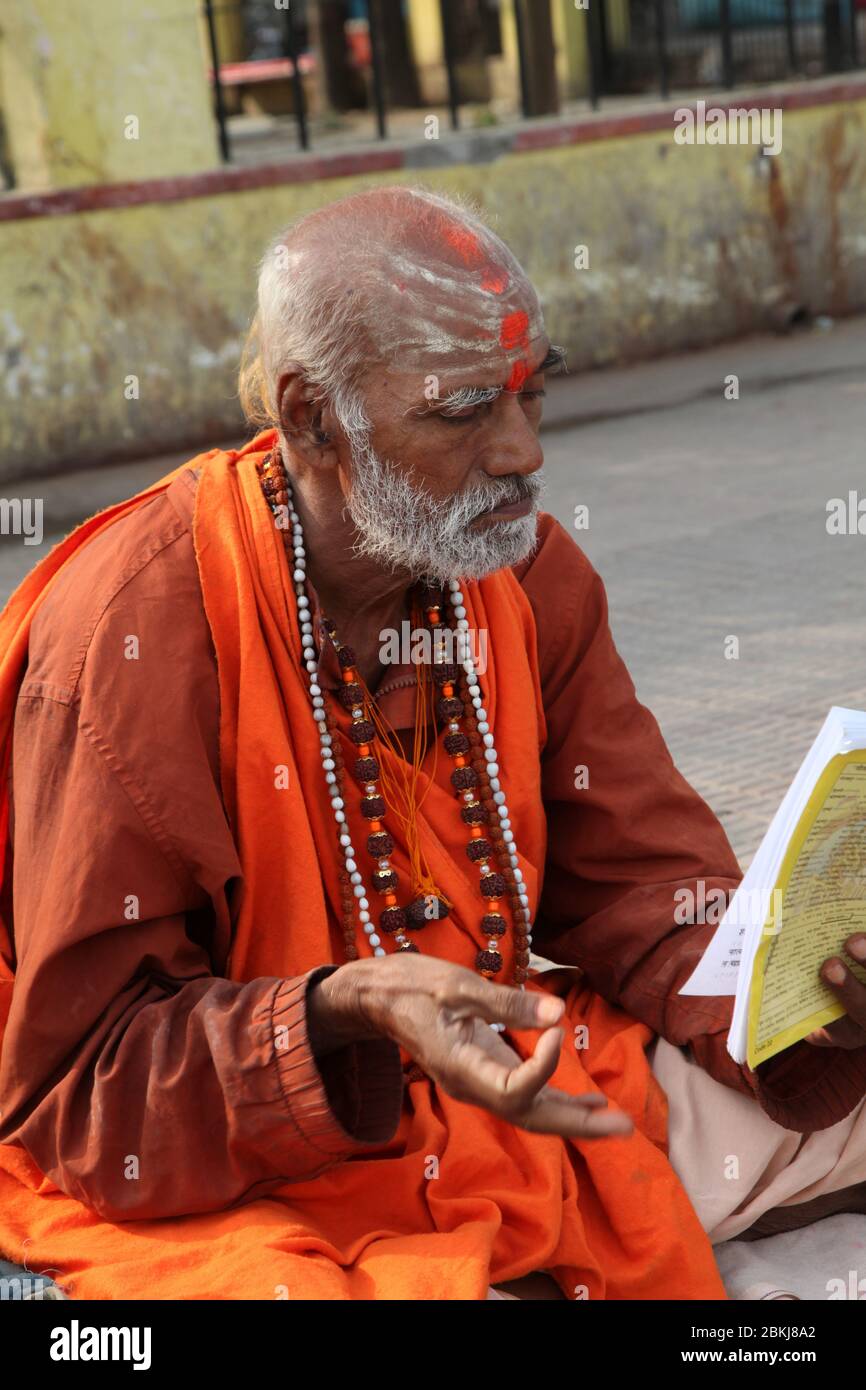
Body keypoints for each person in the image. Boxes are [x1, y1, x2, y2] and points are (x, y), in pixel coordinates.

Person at [0, 186, 864, 1301]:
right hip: (245, 1160)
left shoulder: (523, 575)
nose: (519, 451)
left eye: (530, 395)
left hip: (508, 1088)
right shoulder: (133, 634)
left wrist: (806, 991)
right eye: (461, 411)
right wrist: (337, 1015)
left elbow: (647, 891)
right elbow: (78, 1083)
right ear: (313, 419)